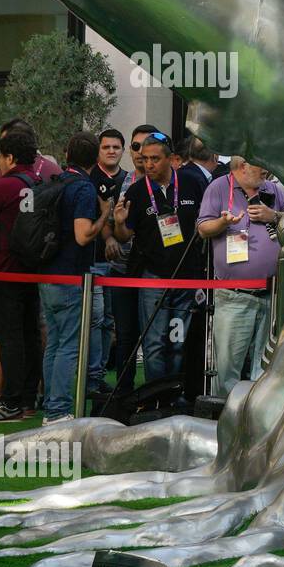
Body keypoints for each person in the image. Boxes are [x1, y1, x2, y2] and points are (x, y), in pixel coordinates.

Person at [113, 131, 209, 383]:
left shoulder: (192, 184)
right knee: (154, 343)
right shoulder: (136, 191)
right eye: (144, 159)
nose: (149, 164)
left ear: (172, 159)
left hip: (186, 278)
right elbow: (124, 237)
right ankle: (155, 398)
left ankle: (174, 397)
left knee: (178, 343)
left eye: (155, 158)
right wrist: (120, 223)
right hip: (152, 278)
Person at [198, 157, 284, 396]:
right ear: (243, 167)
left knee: (266, 368)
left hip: (272, 294)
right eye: (262, 166)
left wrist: (274, 216)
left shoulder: (273, 189)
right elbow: (202, 228)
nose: (268, 170)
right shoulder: (219, 187)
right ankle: (224, 417)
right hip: (234, 296)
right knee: (228, 367)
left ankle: (257, 420)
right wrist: (222, 222)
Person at [38, 133, 110, 425]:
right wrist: (104, 214)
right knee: (68, 345)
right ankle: (57, 410)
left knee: (55, 343)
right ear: (95, 158)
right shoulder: (82, 187)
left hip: (48, 273)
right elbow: (83, 235)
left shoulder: (56, 182)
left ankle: (51, 408)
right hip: (69, 277)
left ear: (67, 154)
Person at [0, 131, 44, 421]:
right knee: (29, 335)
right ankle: (28, 399)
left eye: (2, 157)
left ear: (9, 157)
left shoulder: (3, 185)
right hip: (31, 271)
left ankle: (11, 401)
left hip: (3, 271)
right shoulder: (40, 183)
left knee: (8, 337)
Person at [105, 124, 160, 394]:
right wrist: (111, 237)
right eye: (136, 147)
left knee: (155, 337)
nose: (141, 154)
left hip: (154, 271)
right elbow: (107, 221)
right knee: (125, 334)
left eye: (146, 147)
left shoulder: (166, 184)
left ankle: (156, 394)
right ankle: (124, 393)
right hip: (123, 269)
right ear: (131, 151)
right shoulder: (119, 183)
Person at [86, 129, 128, 394]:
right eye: (106, 147)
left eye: (116, 147)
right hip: (93, 260)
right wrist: (108, 235)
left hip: (121, 263)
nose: (111, 151)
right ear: (98, 151)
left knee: (110, 321)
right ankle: (89, 378)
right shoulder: (90, 178)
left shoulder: (127, 178)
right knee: (95, 318)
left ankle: (99, 375)